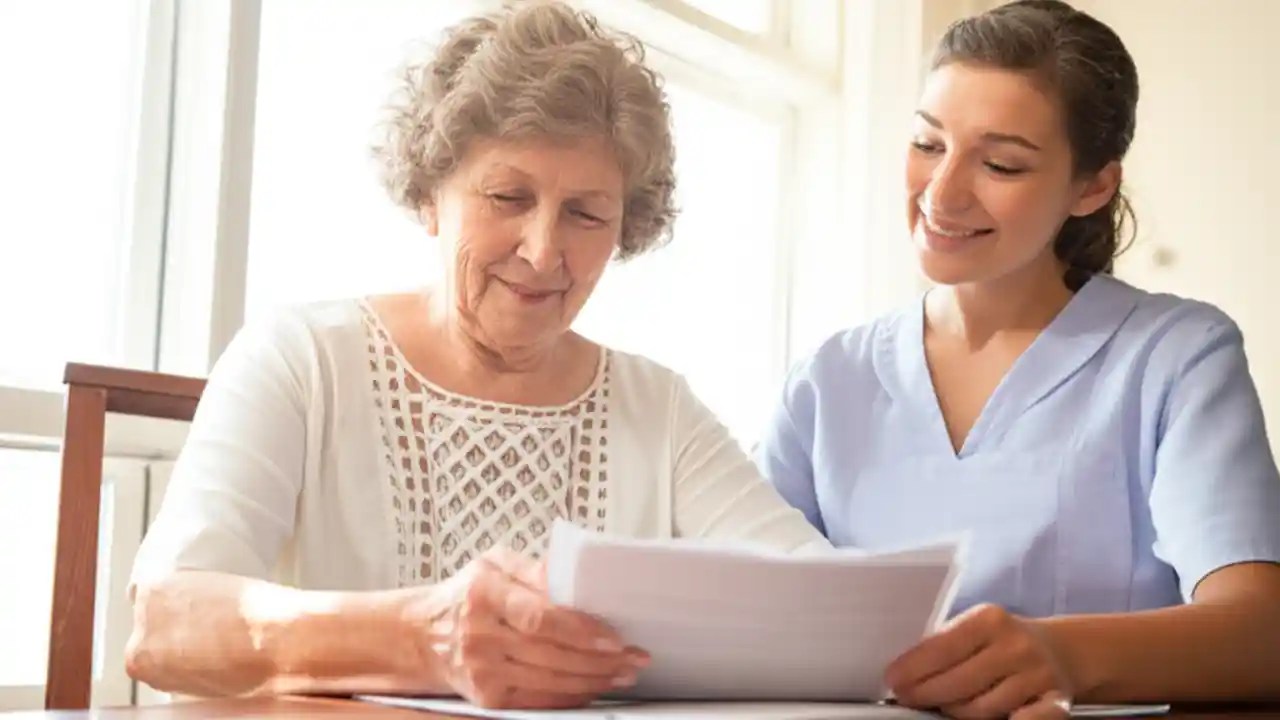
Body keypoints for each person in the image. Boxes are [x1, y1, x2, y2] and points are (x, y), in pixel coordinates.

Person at [125, 1, 826, 709]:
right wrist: (423, 637)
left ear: (625, 228)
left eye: (586, 214)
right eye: (508, 196)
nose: (544, 250)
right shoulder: (302, 360)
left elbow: (826, 606)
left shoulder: (660, 411)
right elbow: (165, 625)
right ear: (432, 195)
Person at [755, 1, 1280, 718]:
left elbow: (1261, 635)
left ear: (1092, 187)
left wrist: (1061, 657)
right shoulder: (828, 381)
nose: (941, 193)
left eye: (1000, 163)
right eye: (927, 143)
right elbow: (740, 615)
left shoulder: (1177, 358)